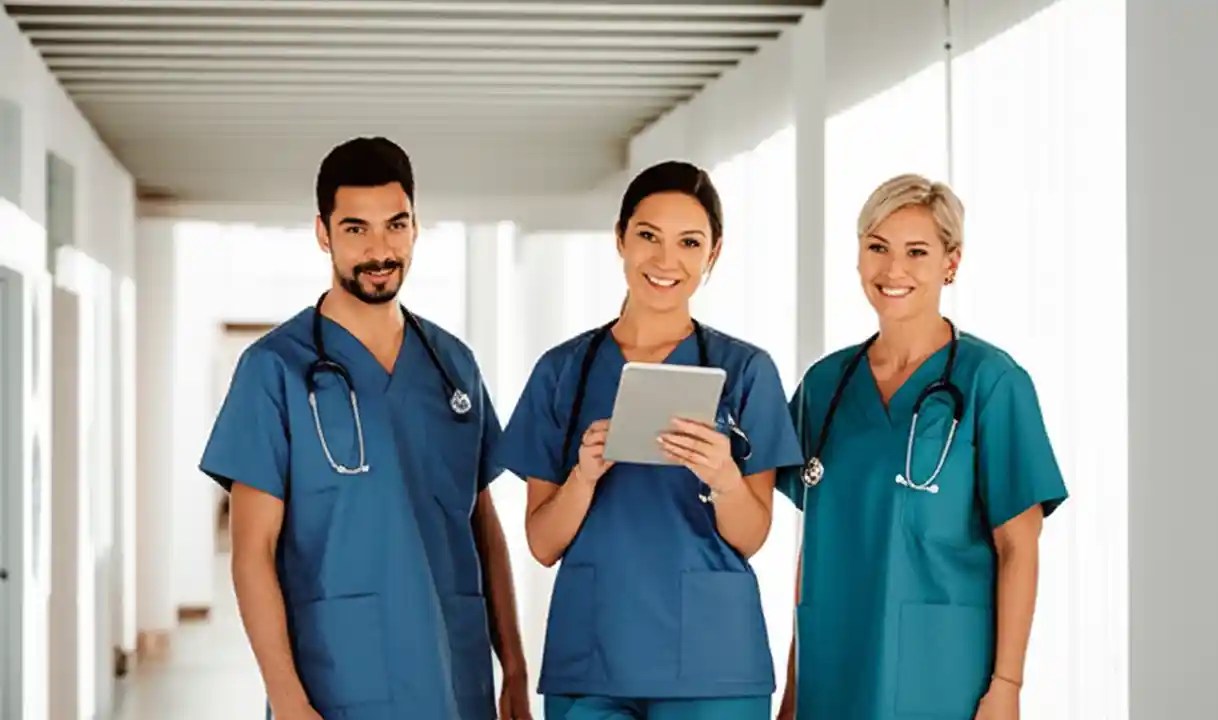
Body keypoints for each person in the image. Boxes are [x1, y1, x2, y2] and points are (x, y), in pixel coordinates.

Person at [199, 137, 531, 720]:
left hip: (456, 679)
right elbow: (252, 552)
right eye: (356, 229)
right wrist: (286, 699)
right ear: (323, 232)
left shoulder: (452, 364)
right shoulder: (274, 369)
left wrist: (516, 673)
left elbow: (483, 528)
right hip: (337, 684)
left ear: (415, 226)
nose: (380, 250)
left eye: (395, 225)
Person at [496, 161, 804, 720]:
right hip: (592, 661)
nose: (666, 261)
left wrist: (724, 477)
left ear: (713, 253)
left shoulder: (745, 371)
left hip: (714, 666)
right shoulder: (563, 371)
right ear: (620, 239)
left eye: (689, 242)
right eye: (648, 236)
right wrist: (584, 477)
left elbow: (753, 534)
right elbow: (542, 544)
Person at [776, 174, 1069, 720]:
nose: (893, 270)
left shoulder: (991, 382)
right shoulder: (825, 385)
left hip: (944, 673)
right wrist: (794, 693)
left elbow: (1019, 545)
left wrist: (1007, 685)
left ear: (950, 263)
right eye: (877, 248)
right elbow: (815, 546)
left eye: (917, 252)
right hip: (834, 667)